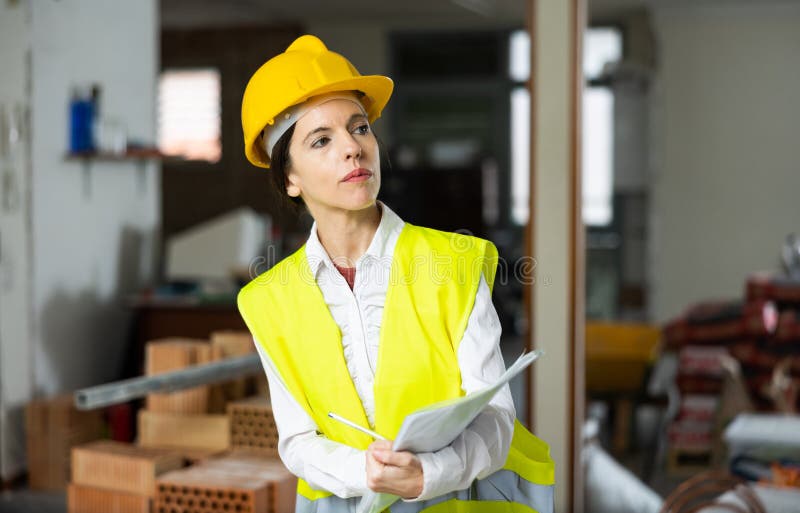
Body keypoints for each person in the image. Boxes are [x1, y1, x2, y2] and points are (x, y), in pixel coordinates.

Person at [237, 34, 555, 513]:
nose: (352, 148)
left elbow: (495, 417)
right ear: (290, 178)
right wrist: (367, 472)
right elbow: (298, 440)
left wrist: (429, 474)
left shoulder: (453, 264)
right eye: (321, 140)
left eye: (359, 128)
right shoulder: (268, 301)